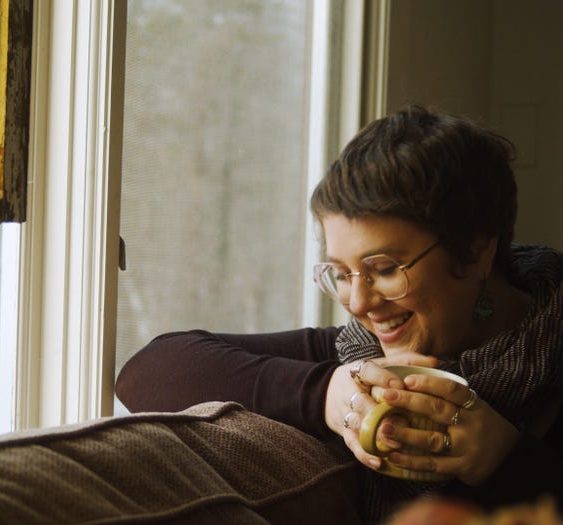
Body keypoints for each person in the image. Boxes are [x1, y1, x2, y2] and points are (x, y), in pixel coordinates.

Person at [116, 105, 563, 523]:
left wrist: (503, 459)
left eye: (384, 269)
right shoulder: (361, 358)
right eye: (342, 273)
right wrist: (329, 393)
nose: (358, 302)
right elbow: (146, 373)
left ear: (477, 251)